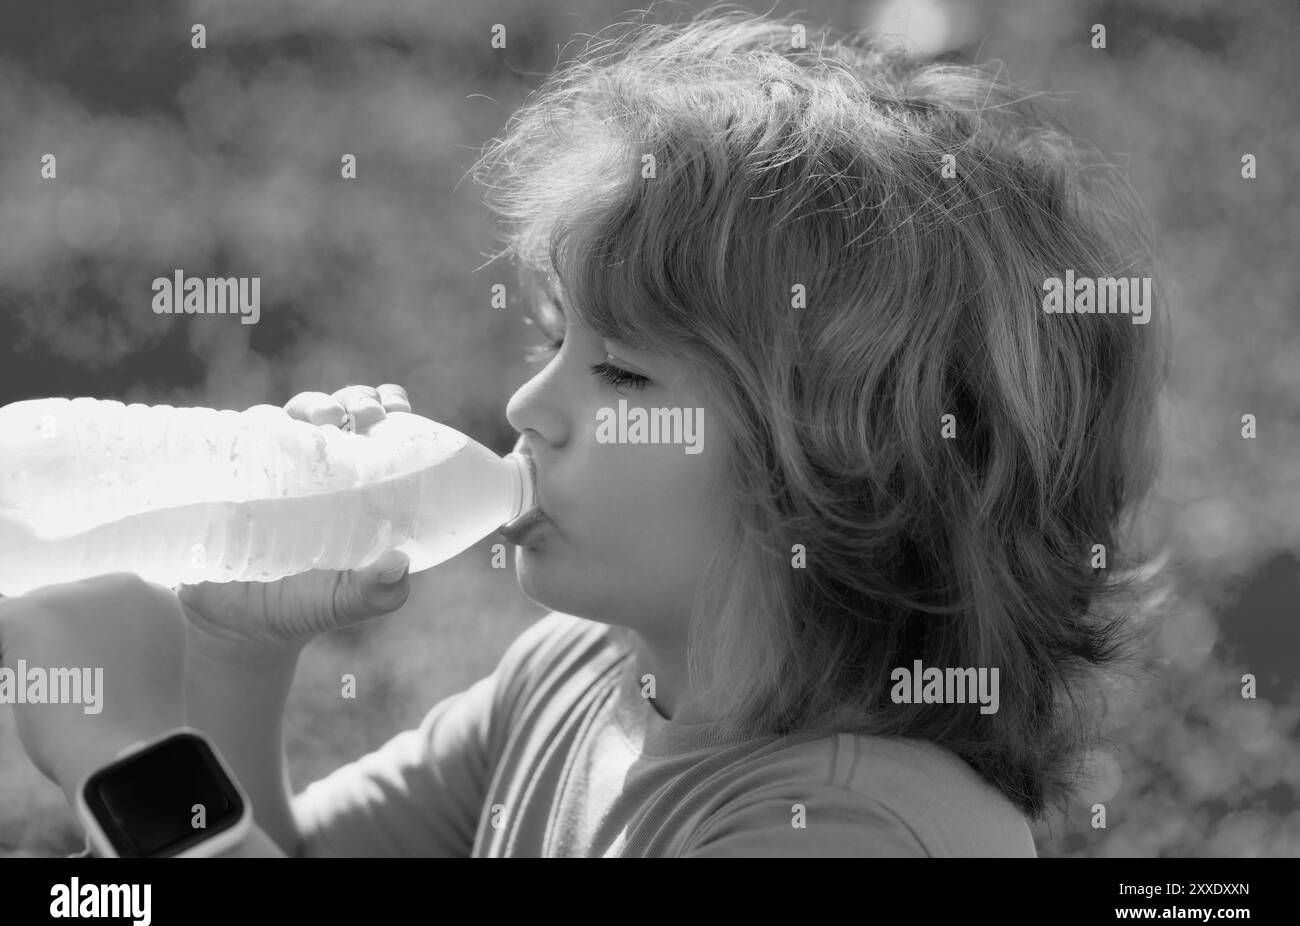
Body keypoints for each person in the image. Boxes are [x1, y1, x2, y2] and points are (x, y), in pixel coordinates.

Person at [0, 8, 1168, 857]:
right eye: (550, 341)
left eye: (616, 368)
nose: (524, 408)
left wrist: (131, 756)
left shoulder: (856, 829)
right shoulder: (570, 680)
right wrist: (237, 651)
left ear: (837, 465)